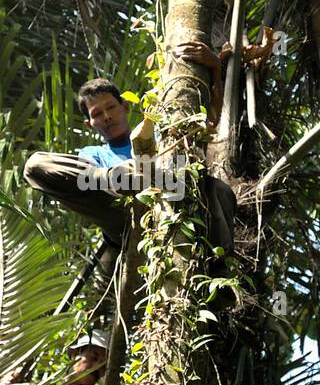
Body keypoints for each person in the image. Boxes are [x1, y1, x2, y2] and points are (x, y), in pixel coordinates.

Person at [23, 76, 237, 296]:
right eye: (96, 113)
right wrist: (113, 177)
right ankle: (125, 179)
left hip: (170, 197)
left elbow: (210, 122)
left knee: (217, 188)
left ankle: (220, 274)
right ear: (89, 123)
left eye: (111, 107)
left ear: (124, 106)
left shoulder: (157, 132)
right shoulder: (93, 154)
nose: (106, 116)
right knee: (35, 165)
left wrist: (213, 69)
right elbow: (81, 180)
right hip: (121, 213)